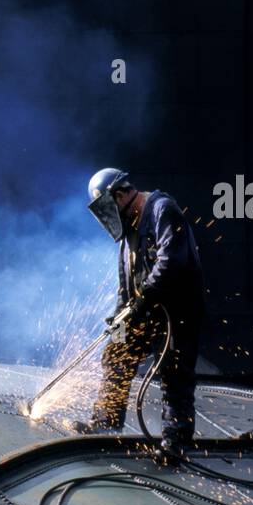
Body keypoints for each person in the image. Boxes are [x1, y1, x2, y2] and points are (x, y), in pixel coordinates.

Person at [73, 168, 205, 462]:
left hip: (177, 313)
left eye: (110, 206)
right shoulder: (127, 233)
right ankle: (107, 417)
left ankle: (176, 441)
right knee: (115, 351)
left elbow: (172, 262)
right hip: (145, 310)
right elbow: (126, 286)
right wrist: (117, 318)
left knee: (174, 372)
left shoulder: (162, 209)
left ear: (120, 194)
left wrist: (140, 302)